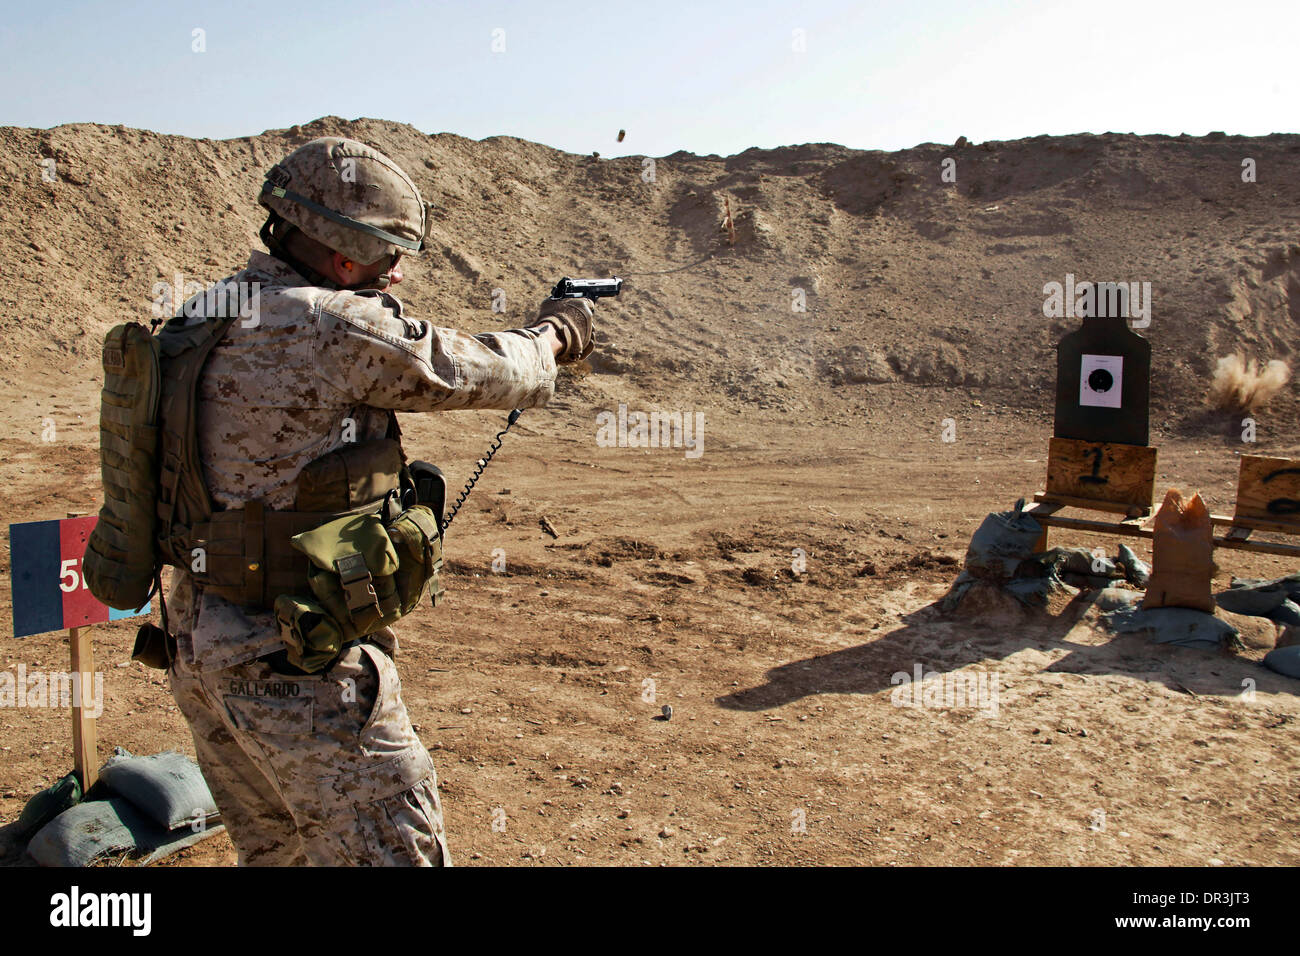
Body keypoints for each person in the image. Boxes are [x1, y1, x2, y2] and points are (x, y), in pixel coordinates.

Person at [164, 136, 596, 866]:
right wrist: (558, 333)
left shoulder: (202, 314)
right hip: (299, 665)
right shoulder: (325, 322)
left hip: (199, 653)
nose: (397, 274)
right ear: (340, 255)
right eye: (388, 254)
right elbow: (472, 370)